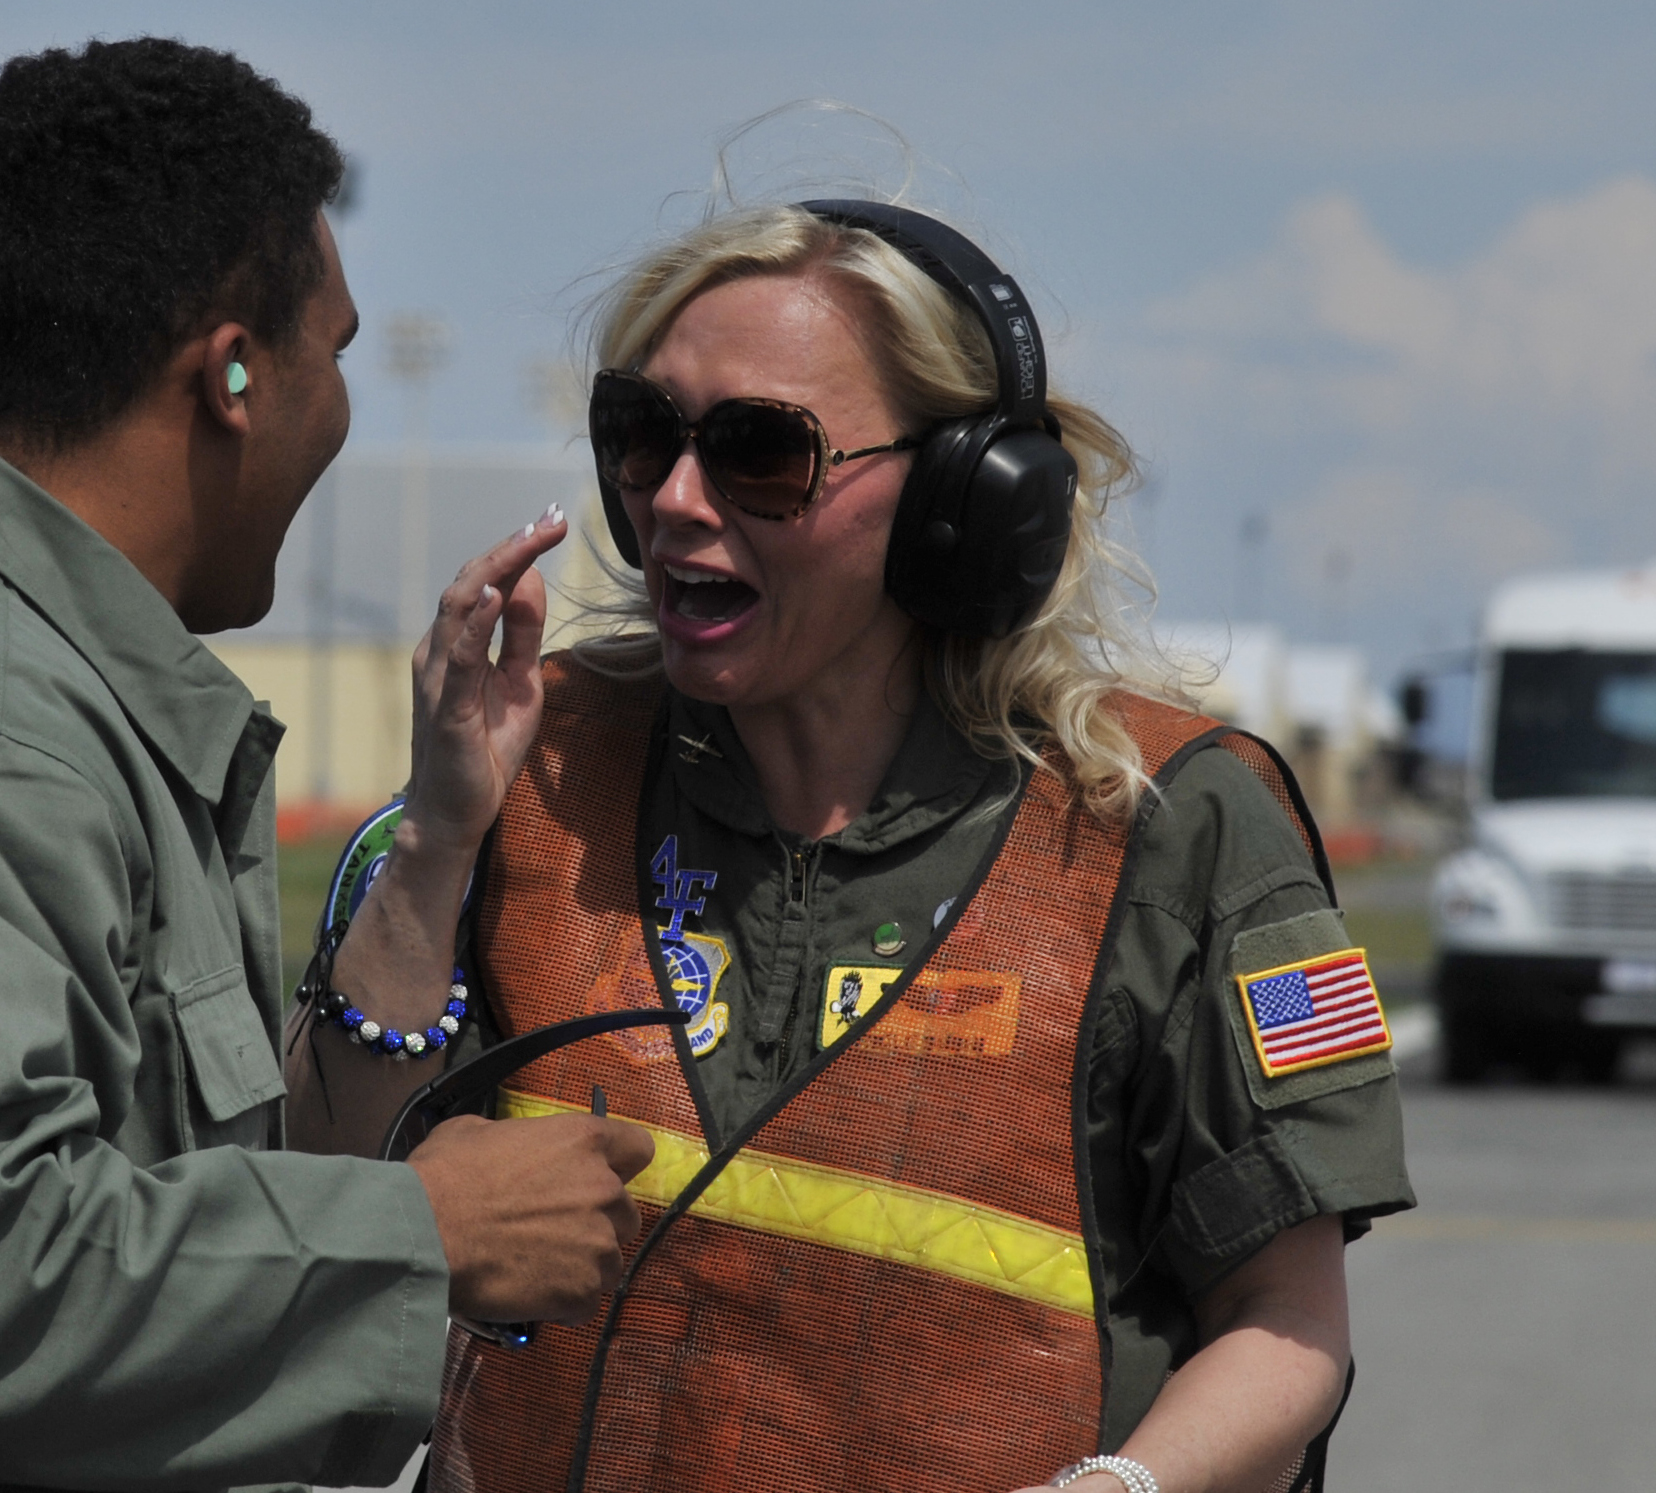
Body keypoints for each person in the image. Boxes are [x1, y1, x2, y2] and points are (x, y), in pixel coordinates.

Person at [0, 38, 653, 1493]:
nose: (340, 413)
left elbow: (130, 1176)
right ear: (230, 370)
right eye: (334, 353)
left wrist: (433, 842)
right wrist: (427, 1236)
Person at [288, 198, 1414, 1493]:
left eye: (759, 453)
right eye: (640, 436)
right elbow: (319, 1198)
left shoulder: (1169, 826)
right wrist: (436, 841)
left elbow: (1288, 1324)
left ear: (960, 502)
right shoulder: (533, 760)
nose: (671, 498)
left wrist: (1114, 1491)